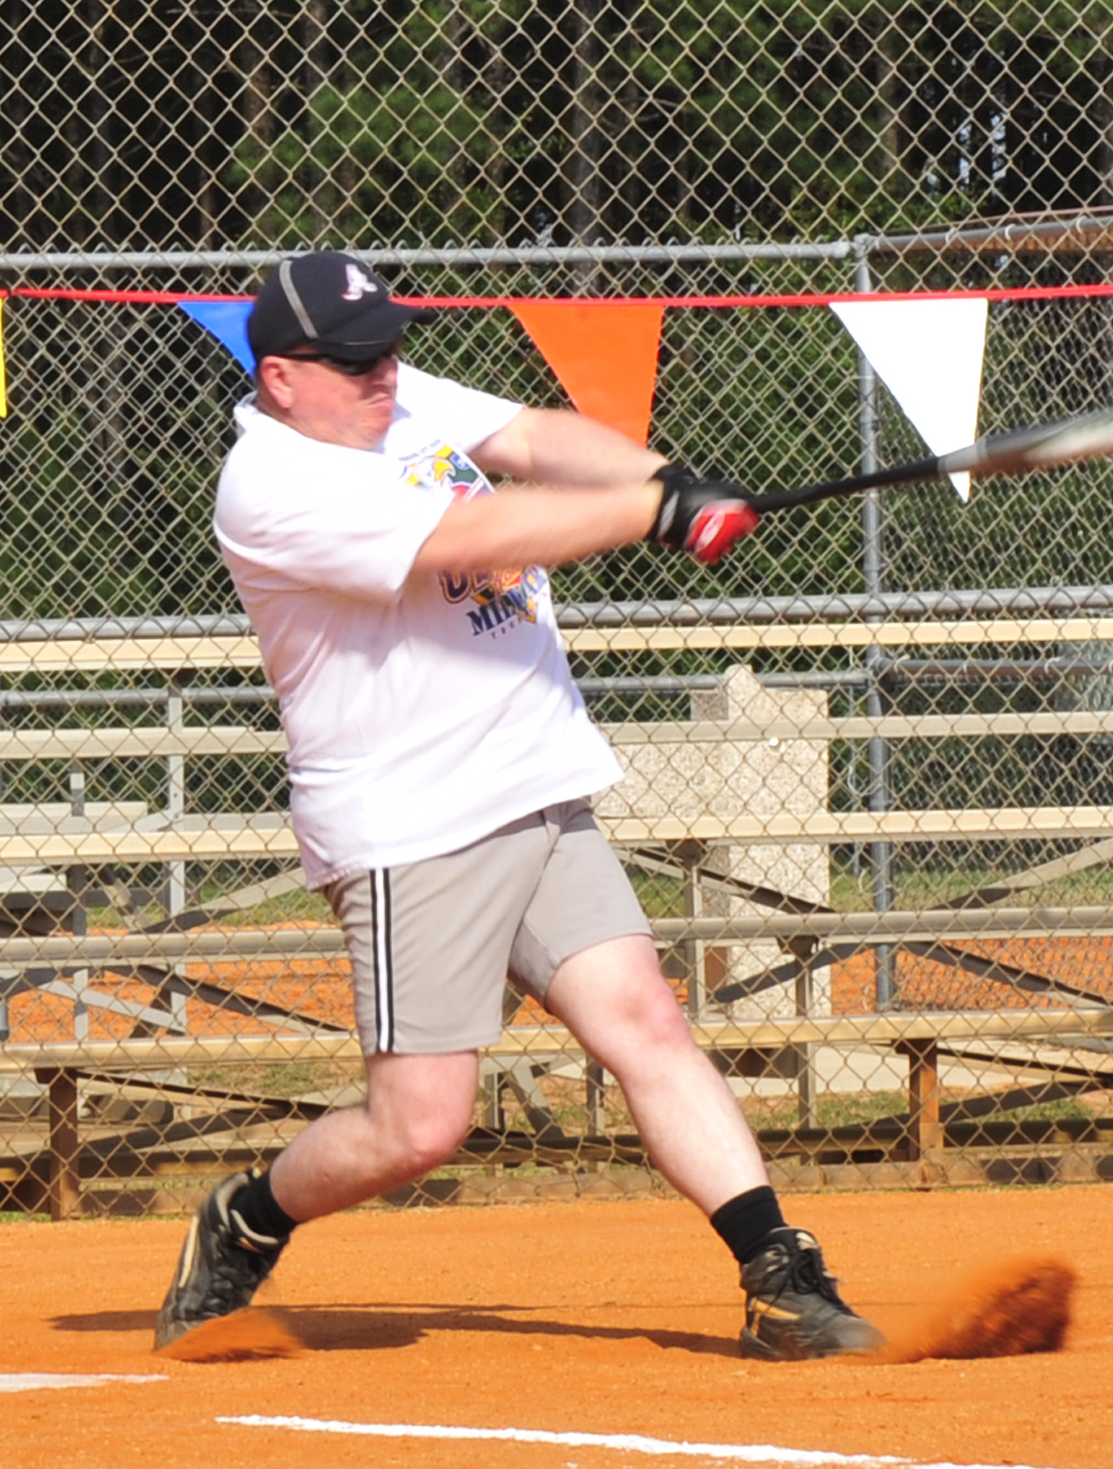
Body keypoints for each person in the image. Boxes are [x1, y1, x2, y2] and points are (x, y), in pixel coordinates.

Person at [154, 250, 880, 1361]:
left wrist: (670, 475)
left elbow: (535, 438)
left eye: (387, 351)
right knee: (417, 1127)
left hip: (534, 779)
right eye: (354, 363)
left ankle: (780, 1274)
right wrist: (652, 512)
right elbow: (469, 540)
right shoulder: (272, 486)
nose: (383, 376)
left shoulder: (391, 399)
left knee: (645, 1022)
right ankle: (247, 1216)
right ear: (281, 376)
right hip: (415, 823)